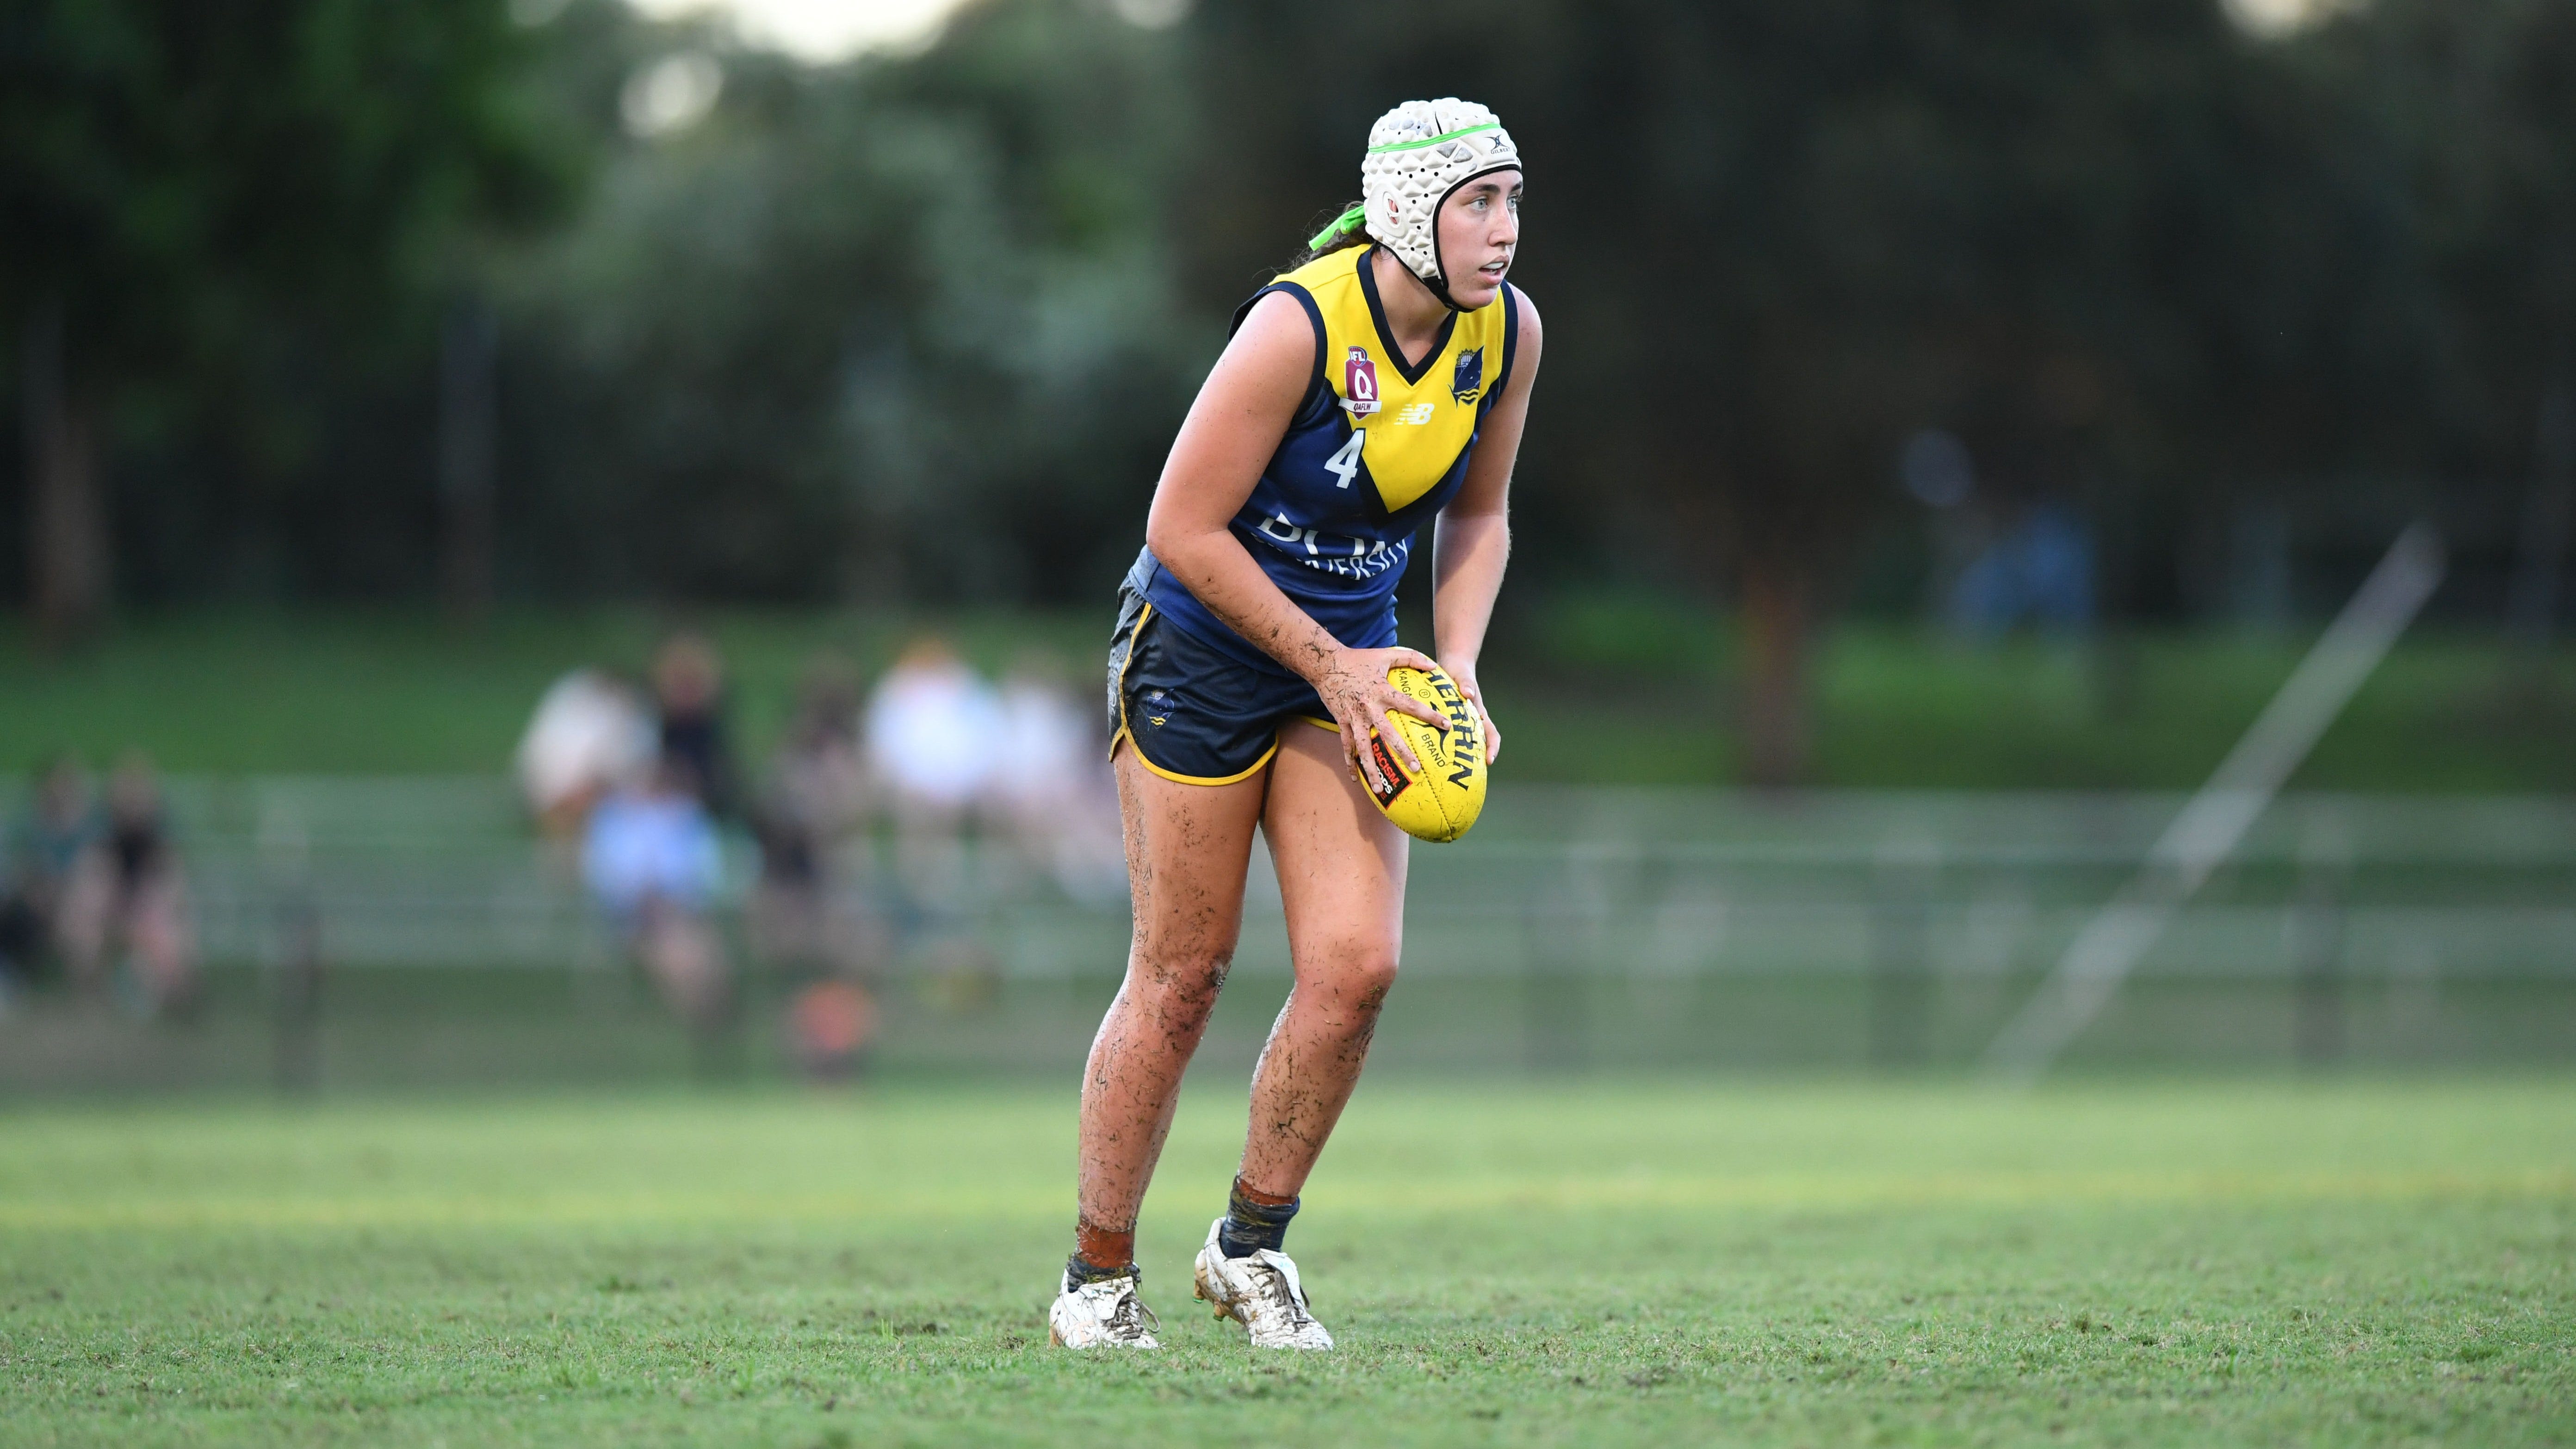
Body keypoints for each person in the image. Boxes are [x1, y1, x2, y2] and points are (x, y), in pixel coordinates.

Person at [1048, 98, 1541, 1350]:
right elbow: (1180, 528)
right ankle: (1095, 1281)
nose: (1503, 230)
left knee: (1357, 966)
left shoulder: (1508, 332)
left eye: (1512, 201)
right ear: (1405, 213)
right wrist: (1335, 667)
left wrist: (1459, 668)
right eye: (1477, 203)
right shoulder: (1298, 325)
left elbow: (1479, 516)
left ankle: (1247, 1249)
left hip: (1355, 666)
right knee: (1183, 973)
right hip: (1202, 658)